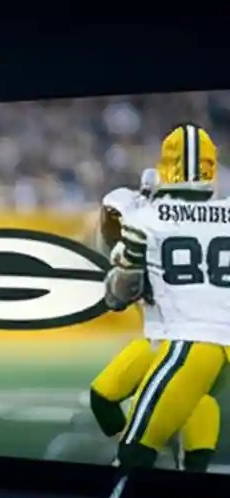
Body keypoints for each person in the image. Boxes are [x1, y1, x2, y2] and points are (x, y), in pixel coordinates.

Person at [103, 123, 230, 498]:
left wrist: (118, 264)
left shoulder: (145, 217)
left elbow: (119, 295)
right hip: (222, 346)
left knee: (132, 458)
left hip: (190, 342)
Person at [89, 166, 219, 474]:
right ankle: (145, 452)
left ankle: (151, 463)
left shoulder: (146, 226)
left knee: (191, 410)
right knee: (105, 397)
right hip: (180, 342)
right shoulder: (201, 225)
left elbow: (116, 296)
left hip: (177, 341)